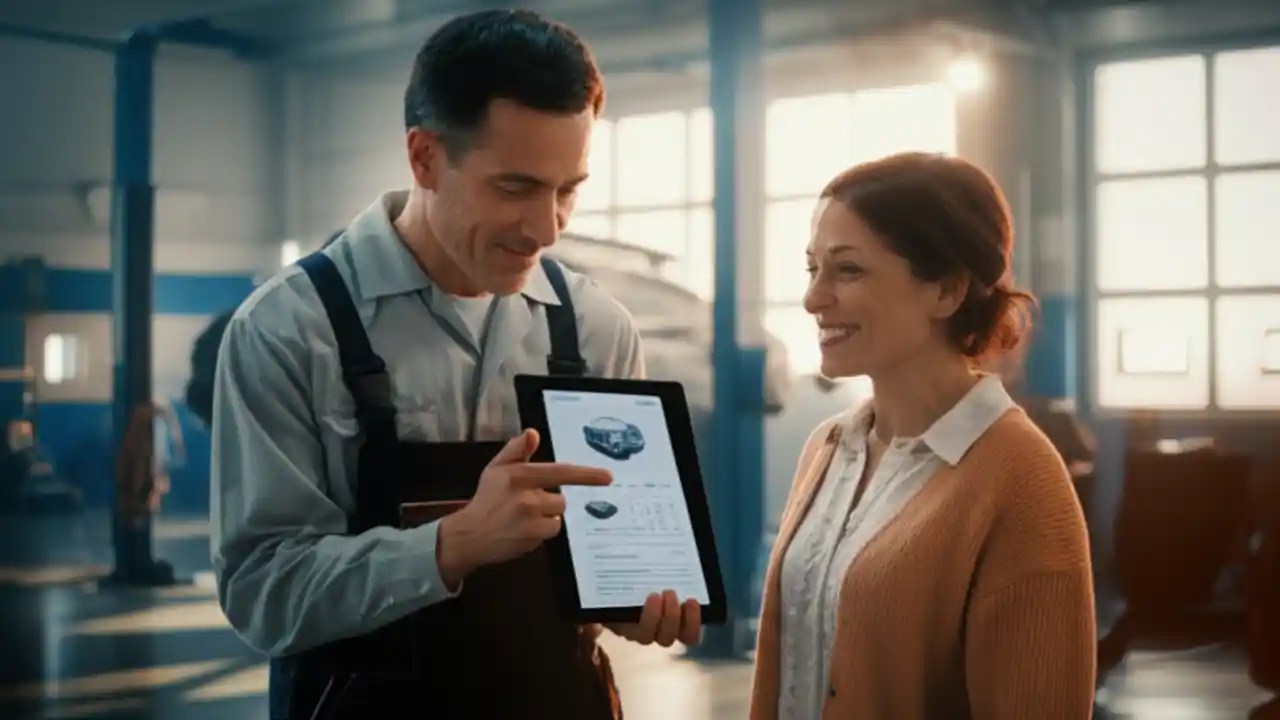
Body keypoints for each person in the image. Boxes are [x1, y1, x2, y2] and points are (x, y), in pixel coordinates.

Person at [210, 10, 700, 719]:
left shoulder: (597, 329)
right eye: (516, 187)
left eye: (568, 189)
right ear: (425, 157)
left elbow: (611, 554)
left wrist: (635, 601)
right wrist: (454, 544)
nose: (547, 228)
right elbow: (263, 593)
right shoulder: (289, 330)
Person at [749, 152, 1096, 719]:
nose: (814, 298)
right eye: (813, 269)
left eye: (849, 270)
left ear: (947, 291)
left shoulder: (1019, 477)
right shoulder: (829, 448)